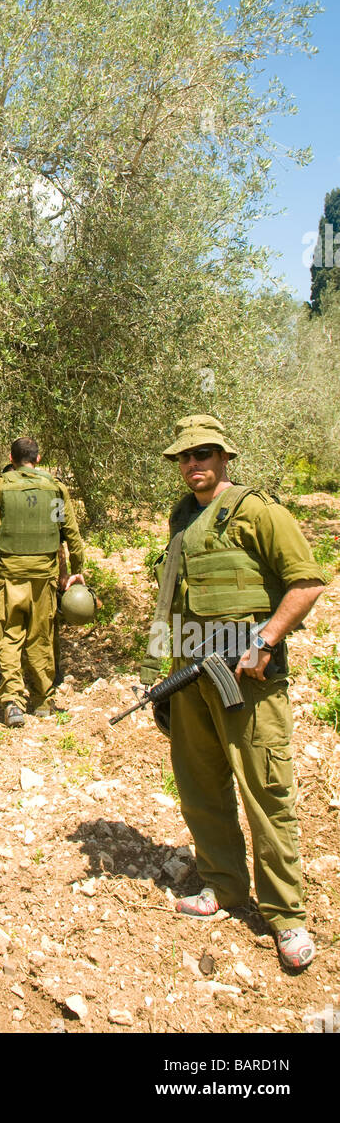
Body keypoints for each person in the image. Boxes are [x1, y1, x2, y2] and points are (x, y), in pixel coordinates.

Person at [153, 413, 328, 971]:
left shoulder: (257, 511)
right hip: (192, 675)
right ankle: (225, 887)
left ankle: (286, 916)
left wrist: (268, 638)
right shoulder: (182, 517)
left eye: (203, 454)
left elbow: (308, 581)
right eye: (185, 457)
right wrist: (164, 676)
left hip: (247, 680)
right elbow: (174, 600)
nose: (193, 465)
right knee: (201, 786)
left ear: (224, 457)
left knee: (266, 791)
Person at [0, 437, 86, 727]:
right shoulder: (55, 488)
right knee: (40, 638)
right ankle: (43, 701)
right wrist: (77, 569)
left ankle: (12, 701)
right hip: (43, 578)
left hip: (8, 577)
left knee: (9, 637)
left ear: (11, 457)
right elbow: (70, 532)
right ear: (38, 458)